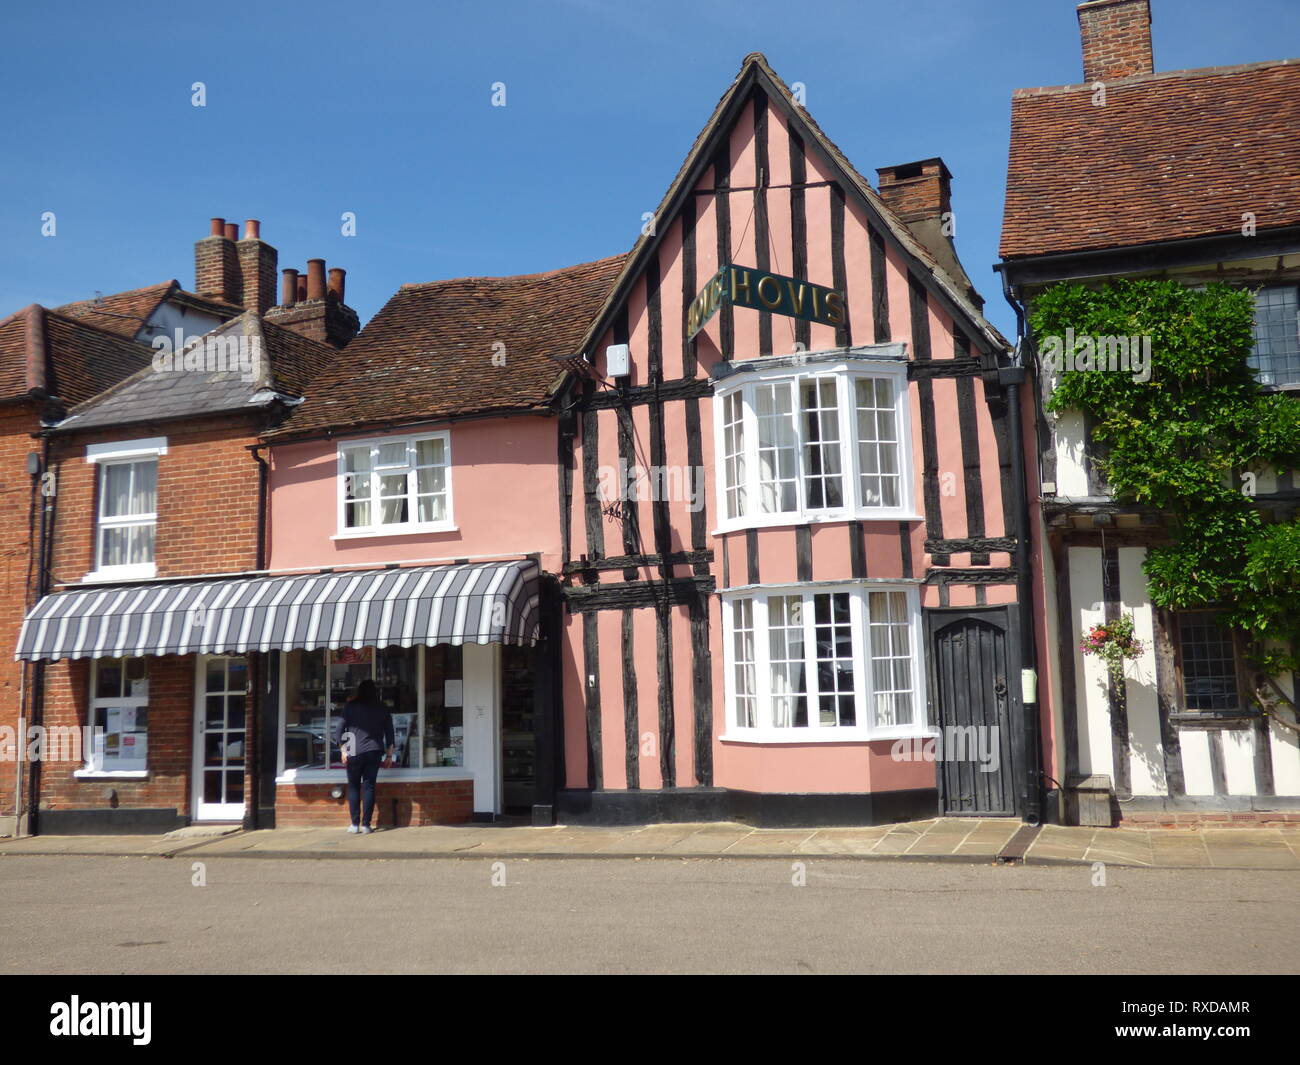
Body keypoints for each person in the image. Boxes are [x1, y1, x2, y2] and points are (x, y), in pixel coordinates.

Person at [337, 678, 396, 834]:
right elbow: (390, 731)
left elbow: (339, 730)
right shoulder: (381, 707)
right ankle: (366, 825)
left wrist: (343, 750)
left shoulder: (350, 707)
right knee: (369, 786)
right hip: (374, 751)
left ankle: (354, 824)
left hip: (354, 750)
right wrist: (389, 755)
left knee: (354, 786)